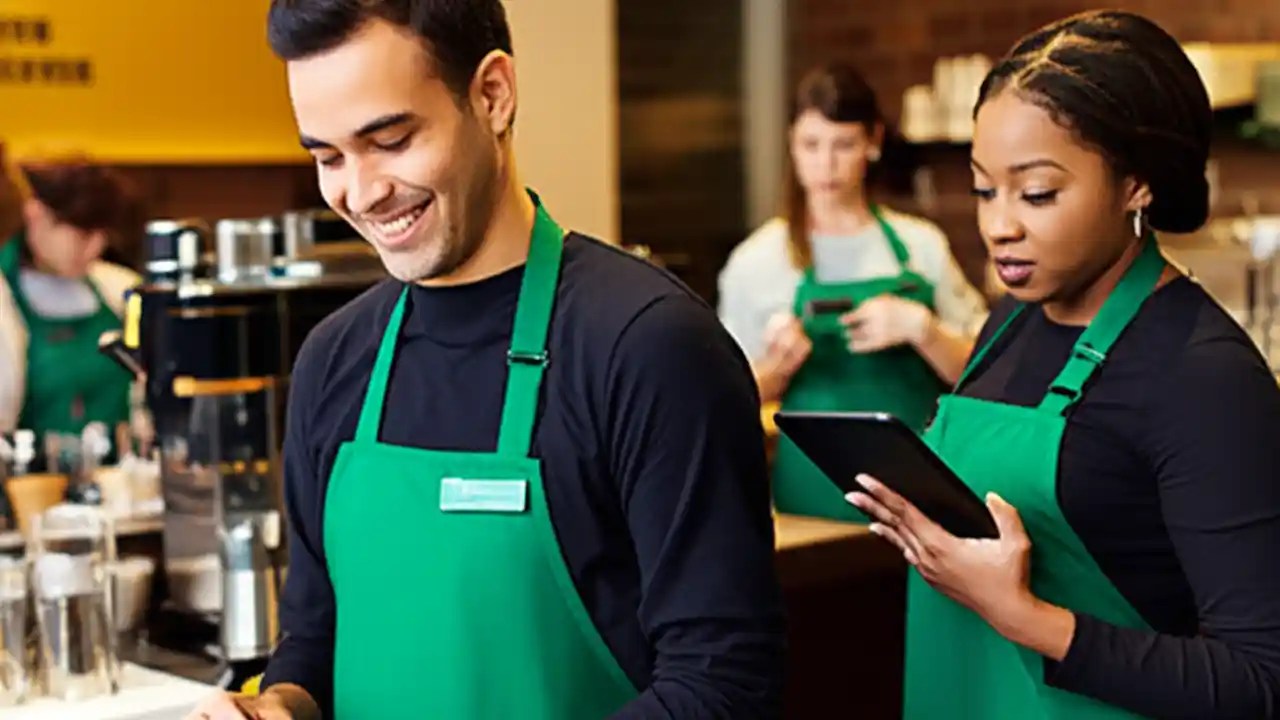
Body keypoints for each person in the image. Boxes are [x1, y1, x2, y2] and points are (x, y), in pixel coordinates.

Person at [186, 2, 785, 719]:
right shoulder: (332, 360)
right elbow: (314, 644)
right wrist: (274, 707)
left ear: (492, 95)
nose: (362, 192)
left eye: (392, 140)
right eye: (328, 157)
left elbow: (722, 686)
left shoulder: (650, 346)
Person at [847, 10, 1280, 719]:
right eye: (985, 189)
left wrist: (1023, 617)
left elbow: (1260, 680)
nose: (998, 224)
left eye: (1038, 193)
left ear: (1136, 185)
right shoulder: (1006, 325)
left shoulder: (1204, 377)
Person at [717, 62, 987, 522]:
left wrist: (923, 330)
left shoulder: (920, 246)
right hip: (808, 499)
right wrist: (775, 369)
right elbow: (722, 399)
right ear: (792, 145)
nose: (826, 164)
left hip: (920, 496)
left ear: (874, 142)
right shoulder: (756, 261)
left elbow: (983, 374)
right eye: (811, 145)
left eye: (843, 145)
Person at [0, 150, 142, 440]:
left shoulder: (120, 289)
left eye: (103, 236)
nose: (95, 249)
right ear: (36, 214)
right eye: (82, 236)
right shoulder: (4, 298)